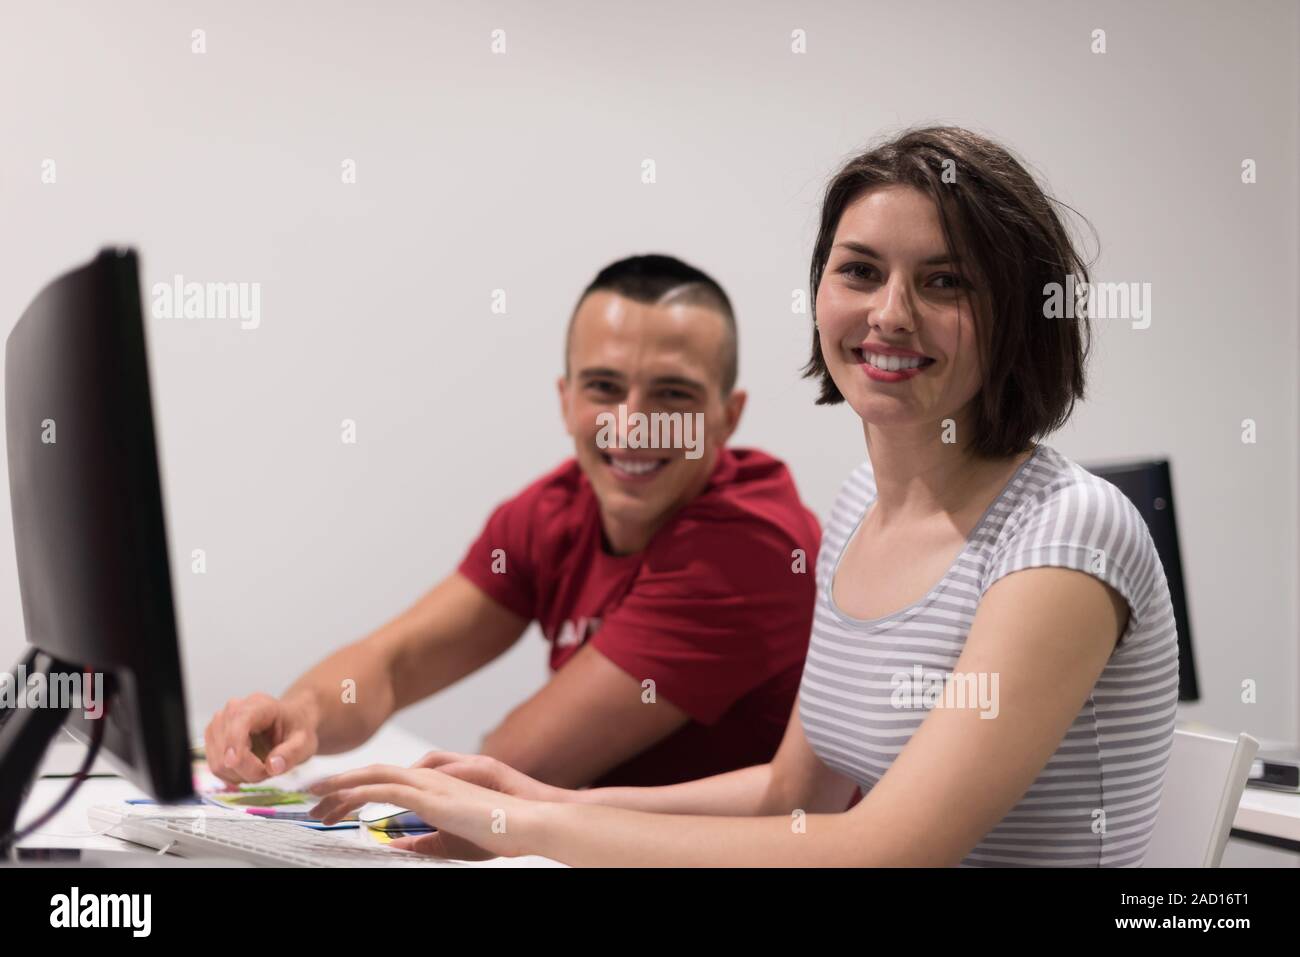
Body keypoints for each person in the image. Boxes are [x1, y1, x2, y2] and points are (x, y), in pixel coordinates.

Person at [307, 127, 1180, 867]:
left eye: (945, 281)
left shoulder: (1068, 529)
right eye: (861, 271)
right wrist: (533, 800)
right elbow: (791, 791)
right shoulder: (856, 513)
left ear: (1021, 316)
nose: (890, 314)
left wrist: (540, 822)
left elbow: (887, 847)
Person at [204, 254, 821, 789]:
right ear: (566, 399)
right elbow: (394, 665)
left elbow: (517, 765)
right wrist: (300, 715)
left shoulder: (751, 547)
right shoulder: (553, 510)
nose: (633, 423)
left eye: (674, 395)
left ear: (728, 417)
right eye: (604, 387)